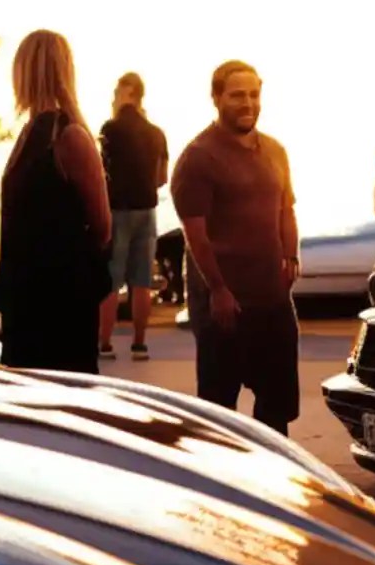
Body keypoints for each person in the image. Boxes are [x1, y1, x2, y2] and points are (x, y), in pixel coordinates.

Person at [170, 60, 301, 435]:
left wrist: (290, 255)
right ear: (216, 98)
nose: (248, 103)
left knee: (277, 411)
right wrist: (218, 289)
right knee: (219, 415)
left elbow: (286, 209)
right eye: (237, 95)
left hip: (273, 301)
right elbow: (196, 233)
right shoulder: (199, 157)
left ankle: (276, 486)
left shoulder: (274, 150)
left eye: (254, 94)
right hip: (224, 305)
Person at [0, 30, 112, 373]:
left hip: (61, 300)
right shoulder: (31, 134)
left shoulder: (68, 136)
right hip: (26, 296)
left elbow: (102, 226)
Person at [97, 72, 168, 361]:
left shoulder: (110, 129)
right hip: (147, 210)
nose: (114, 97)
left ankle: (104, 344)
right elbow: (162, 176)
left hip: (117, 210)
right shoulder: (156, 133)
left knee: (111, 279)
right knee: (141, 280)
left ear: (128, 93)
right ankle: (139, 344)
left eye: (117, 91)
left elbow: (100, 171)